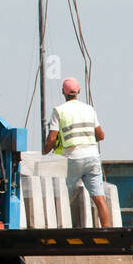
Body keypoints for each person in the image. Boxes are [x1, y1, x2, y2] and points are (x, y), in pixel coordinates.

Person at [43, 77, 111, 227]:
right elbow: (101, 135)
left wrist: (44, 154)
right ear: (78, 91)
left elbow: (52, 139)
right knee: (99, 198)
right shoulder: (89, 109)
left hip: (72, 159)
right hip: (92, 158)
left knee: (61, 196)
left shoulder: (58, 111)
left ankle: (60, 229)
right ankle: (108, 231)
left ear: (63, 92)